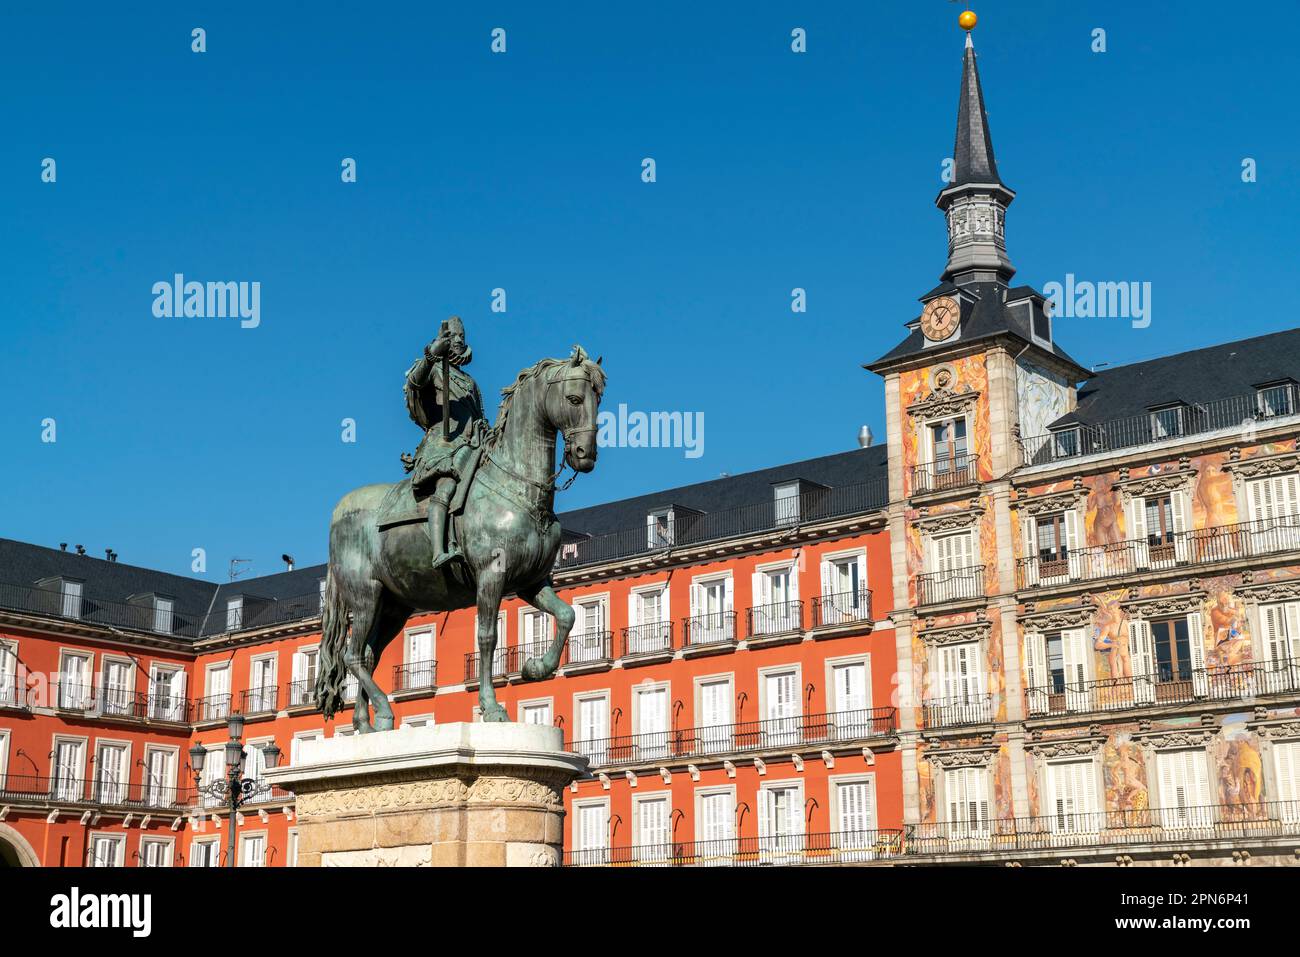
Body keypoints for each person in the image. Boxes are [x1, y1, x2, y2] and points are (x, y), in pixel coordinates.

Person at [403, 316, 488, 569]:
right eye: (454, 337)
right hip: (444, 442)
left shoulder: (471, 382)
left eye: (463, 336)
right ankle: (438, 551)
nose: (460, 340)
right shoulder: (434, 369)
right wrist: (431, 356)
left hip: (474, 443)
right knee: (447, 484)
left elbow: (479, 416)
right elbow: (414, 383)